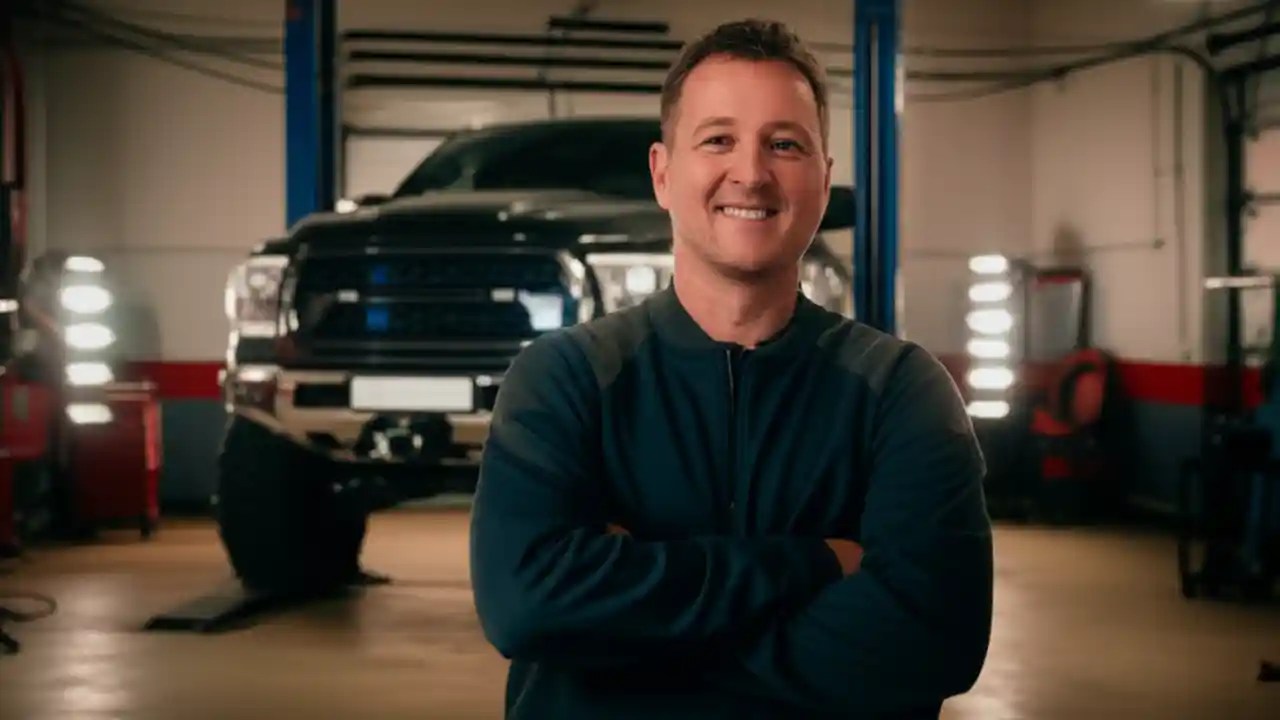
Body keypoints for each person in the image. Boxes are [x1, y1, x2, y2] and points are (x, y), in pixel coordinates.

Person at [470, 18, 993, 720]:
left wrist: (616, 651)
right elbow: (524, 605)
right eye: (718, 139)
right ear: (663, 173)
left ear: (823, 179)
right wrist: (818, 564)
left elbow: (934, 636)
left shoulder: (900, 391)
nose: (751, 172)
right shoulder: (564, 378)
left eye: (785, 144)